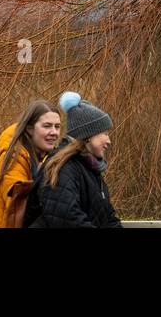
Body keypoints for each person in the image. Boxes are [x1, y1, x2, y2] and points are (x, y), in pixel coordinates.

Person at [23, 91, 123, 228]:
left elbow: (108, 216)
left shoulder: (90, 170)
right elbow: (67, 219)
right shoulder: (63, 168)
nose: (109, 141)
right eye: (104, 134)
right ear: (88, 136)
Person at [0, 99, 62, 228]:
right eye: (47, 126)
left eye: (57, 126)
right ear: (29, 128)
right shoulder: (14, 157)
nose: (54, 132)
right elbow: (18, 203)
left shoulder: (43, 156)